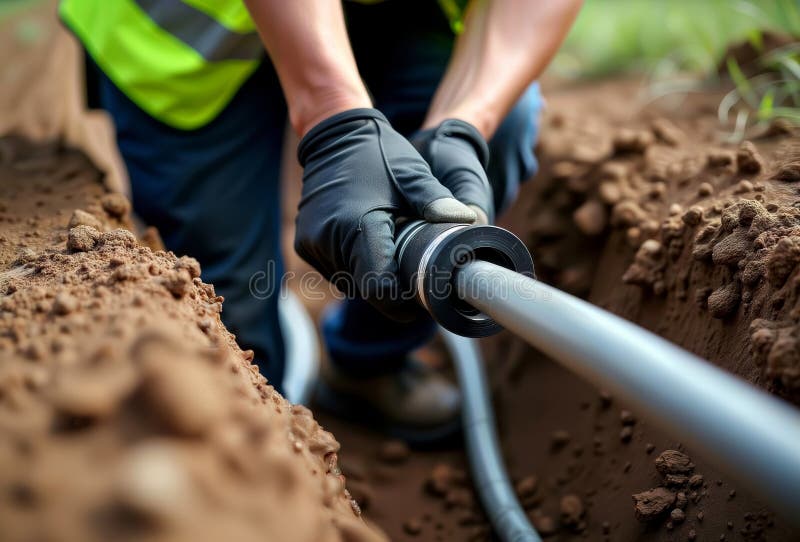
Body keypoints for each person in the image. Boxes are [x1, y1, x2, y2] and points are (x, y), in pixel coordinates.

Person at [59, 0, 582, 442]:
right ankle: (253, 424)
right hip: (191, 30)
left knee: (501, 134)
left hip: (406, 12)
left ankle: (367, 366)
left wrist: (466, 124)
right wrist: (336, 120)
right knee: (221, 301)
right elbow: (331, 110)